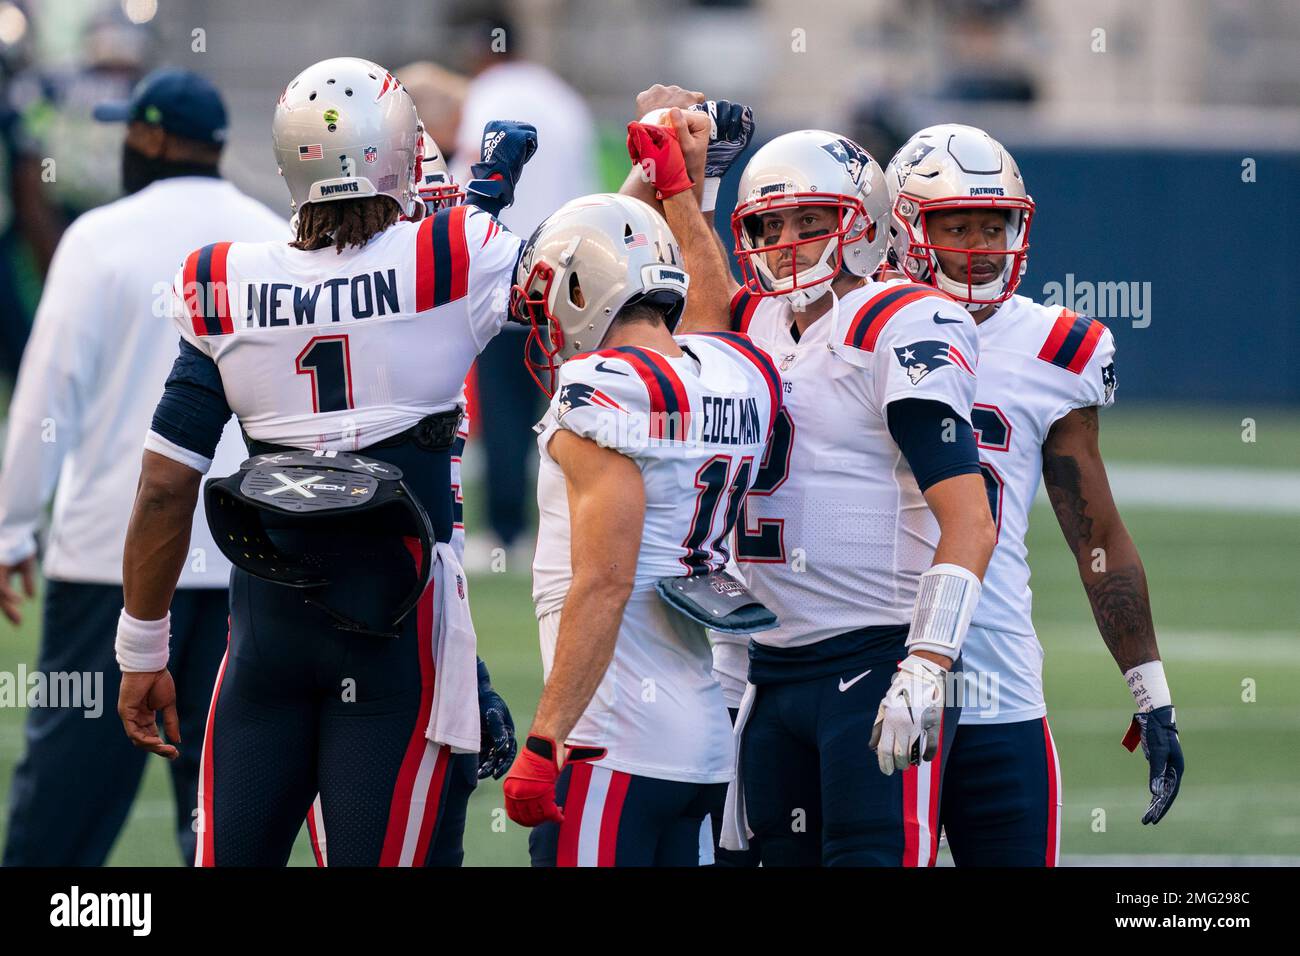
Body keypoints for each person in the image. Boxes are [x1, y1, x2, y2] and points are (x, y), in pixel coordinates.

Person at [113, 57, 531, 866]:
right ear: (401, 153)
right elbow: (596, 287)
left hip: (264, 641)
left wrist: (142, 651)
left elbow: (166, 488)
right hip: (396, 637)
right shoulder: (454, 253)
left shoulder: (222, 279)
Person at [658, 115, 997, 865]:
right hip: (769, 670)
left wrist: (929, 662)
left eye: (812, 221)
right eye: (771, 224)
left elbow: (970, 521)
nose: (790, 242)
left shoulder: (898, 319)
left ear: (865, 224)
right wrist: (686, 181)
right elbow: (694, 290)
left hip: (878, 656)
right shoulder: (751, 320)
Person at [0, 68, 288, 866]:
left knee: (63, 806)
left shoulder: (98, 236)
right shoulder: (270, 232)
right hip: (246, 559)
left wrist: (11, 525)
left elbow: (45, 392)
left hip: (112, 561)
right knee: (228, 815)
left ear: (153, 139)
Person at [883, 123, 1183, 865]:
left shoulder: (1059, 347)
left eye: (997, 224)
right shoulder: (852, 325)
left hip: (998, 680)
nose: (981, 245)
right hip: (873, 668)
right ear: (905, 226)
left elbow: (1098, 537)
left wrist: (1152, 692)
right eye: (957, 226)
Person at [502, 183, 783, 866]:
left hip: (611, 744)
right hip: (701, 746)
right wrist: (681, 189)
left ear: (580, 293)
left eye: (551, 300)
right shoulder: (733, 369)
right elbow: (712, 305)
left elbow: (605, 582)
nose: (546, 323)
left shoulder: (604, 387)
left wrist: (545, 740)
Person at [451, 14, 598, 571]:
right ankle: (581, 524)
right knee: (575, 409)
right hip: (570, 278)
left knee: (507, 412)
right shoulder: (566, 101)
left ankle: (509, 533)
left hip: (501, 271)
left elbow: (471, 187)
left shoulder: (485, 93)